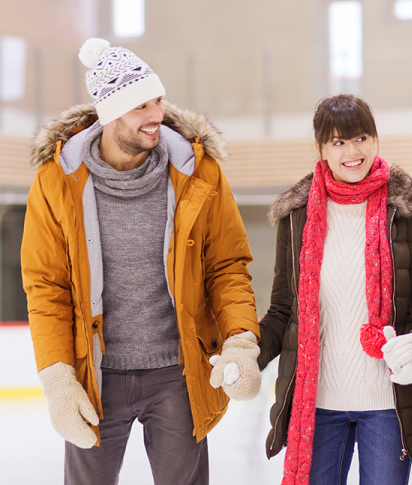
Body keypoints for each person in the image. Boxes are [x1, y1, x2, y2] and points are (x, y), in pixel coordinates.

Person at [21, 38, 262, 485]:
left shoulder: (197, 172)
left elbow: (227, 267)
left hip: (177, 372)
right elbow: (46, 286)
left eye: (157, 101)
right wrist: (58, 378)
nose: (156, 115)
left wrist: (240, 341)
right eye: (140, 106)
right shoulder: (56, 181)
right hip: (97, 373)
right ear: (108, 112)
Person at [257, 94, 412, 485]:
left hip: (388, 404)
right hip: (318, 404)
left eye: (360, 138)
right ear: (321, 148)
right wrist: (246, 354)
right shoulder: (296, 216)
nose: (351, 151)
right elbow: (282, 311)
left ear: (375, 139)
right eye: (338, 142)